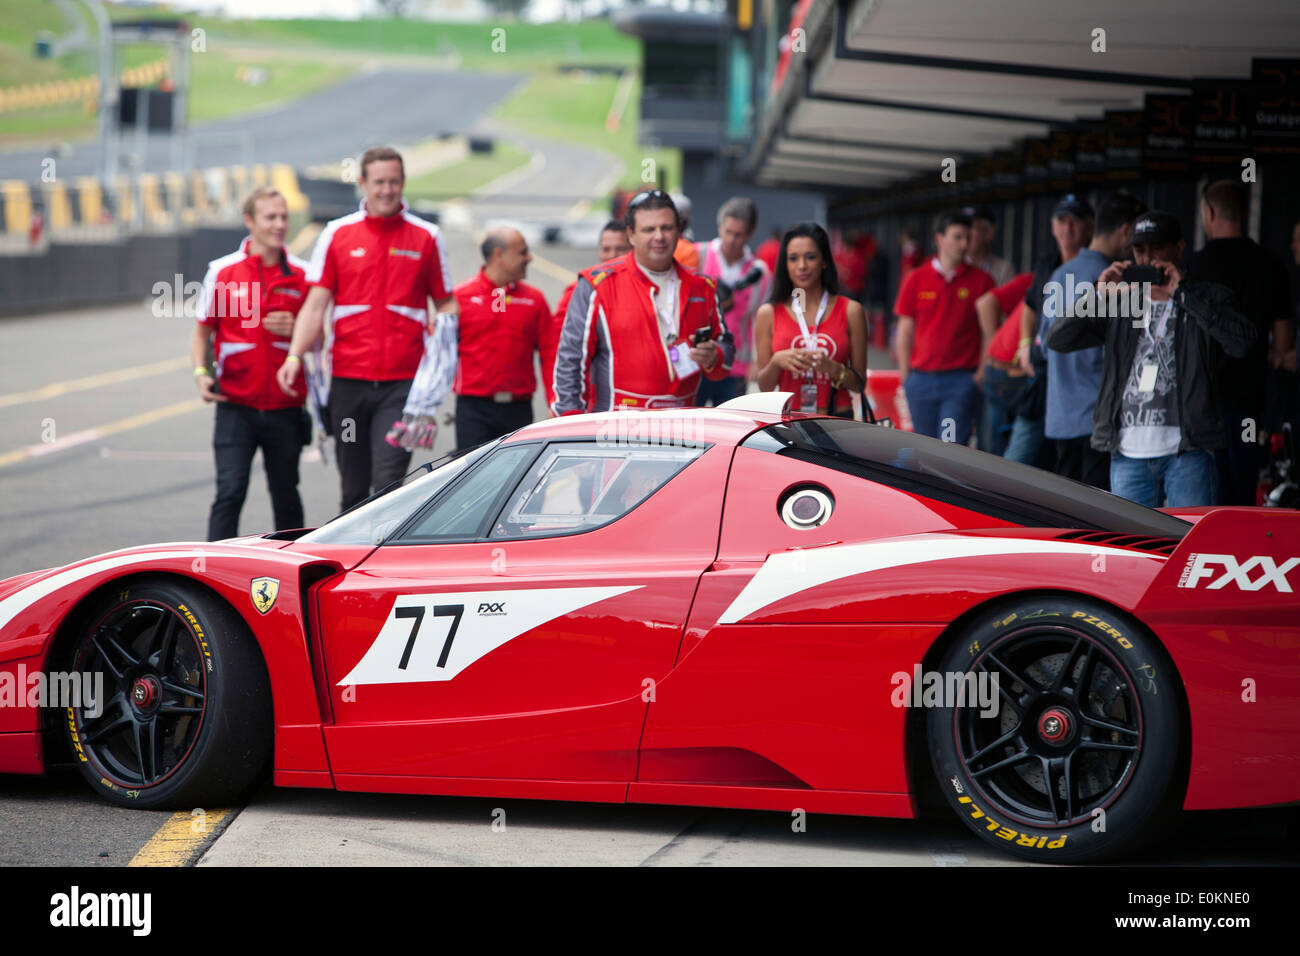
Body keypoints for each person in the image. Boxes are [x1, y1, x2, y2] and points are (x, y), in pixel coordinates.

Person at [276, 146, 458, 511]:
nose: (387, 190)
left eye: (393, 182)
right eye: (379, 182)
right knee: (353, 487)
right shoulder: (336, 235)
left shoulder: (427, 237)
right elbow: (315, 306)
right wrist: (295, 355)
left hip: (404, 388)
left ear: (403, 183)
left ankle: (381, 565)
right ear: (362, 183)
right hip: (347, 386)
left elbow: (446, 302)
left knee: (388, 485)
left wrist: (445, 323)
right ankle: (351, 564)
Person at [1047, 211, 1255, 507]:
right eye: (1139, 250)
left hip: (1188, 451)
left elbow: (1243, 343)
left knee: (1188, 546)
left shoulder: (1205, 296)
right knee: (1132, 550)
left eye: (1157, 248)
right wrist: (1096, 293)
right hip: (1127, 452)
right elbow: (1058, 340)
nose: (1148, 259)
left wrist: (1183, 294)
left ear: (1179, 248)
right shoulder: (1121, 301)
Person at [192, 186, 310, 540]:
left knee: (286, 497)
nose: (279, 225)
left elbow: (321, 339)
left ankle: (294, 576)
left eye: (284, 217)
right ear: (249, 221)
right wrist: (201, 374)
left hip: (285, 408)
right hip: (235, 406)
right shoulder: (223, 271)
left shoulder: (304, 274)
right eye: (270, 217)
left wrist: (297, 329)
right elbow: (201, 333)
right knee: (230, 492)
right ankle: (210, 577)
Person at [551, 190, 731, 414]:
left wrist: (715, 356)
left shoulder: (703, 286)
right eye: (649, 229)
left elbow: (726, 349)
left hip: (683, 432)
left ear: (678, 231)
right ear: (631, 235)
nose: (659, 236)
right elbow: (570, 360)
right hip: (617, 432)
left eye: (666, 227)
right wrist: (570, 422)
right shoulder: (596, 284)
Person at [1185, 179, 1295, 504]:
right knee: (1243, 490)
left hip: (1202, 402)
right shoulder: (1271, 265)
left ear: (1209, 212)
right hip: (1250, 400)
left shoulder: (1192, 268)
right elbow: (1284, 342)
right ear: (1245, 213)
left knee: (1206, 493)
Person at [1040, 192, 1145, 488]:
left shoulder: (1059, 275)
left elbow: (1045, 345)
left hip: (1060, 417)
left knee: (1065, 515)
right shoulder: (1117, 281)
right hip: (1099, 420)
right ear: (1125, 231)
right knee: (1096, 522)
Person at [1007, 193, 1094, 467]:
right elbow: (1030, 306)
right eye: (1062, 220)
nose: (1067, 228)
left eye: (1075, 221)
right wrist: (1024, 344)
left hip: (1082, 383)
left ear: (1090, 226)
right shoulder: (1048, 263)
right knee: (1016, 459)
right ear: (1052, 226)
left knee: (1069, 465)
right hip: (1045, 375)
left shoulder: (1100, 267)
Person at [894, 209, 995, 442]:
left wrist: (979, 373)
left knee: (951, 448)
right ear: (939, 239)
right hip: (920, 380)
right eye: (958, 237)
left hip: (961, 381)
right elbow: (905, 329)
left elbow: (989, 333)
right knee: (923, 447)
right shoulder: (916, 278)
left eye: (967, 238)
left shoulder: (982, 281)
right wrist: (905, 376)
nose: (965, 244)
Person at [445, 228, 551, 448]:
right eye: (522, 252)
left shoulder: (534, 300)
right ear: (498, 255)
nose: (529, 258)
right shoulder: (460, 298)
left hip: (518, 410)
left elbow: (551, 356)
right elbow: (437, 356)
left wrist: (555, 404)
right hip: (473, 410)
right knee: (473, 480)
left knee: (517, 480)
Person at [754, 223, 867, 416]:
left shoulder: (851, 310)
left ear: (824, 261)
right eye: (793, 258)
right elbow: (764, 387)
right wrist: (776, 362)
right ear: (785, 264)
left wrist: (832, 368)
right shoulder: (768, 313)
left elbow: (859, 384)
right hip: (790, 421)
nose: (802, 266)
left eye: (811, 257)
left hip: (837, 419)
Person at [540, 220, 630, 408]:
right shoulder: (581, 291)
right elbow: (556, 351)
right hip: (587, 404)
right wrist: (556, 401)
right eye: (606, 249)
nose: (611, 255)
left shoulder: (643, 292)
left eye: (620, 249)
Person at [694, 196, 772, 405]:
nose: (731, 240)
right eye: (727, 232)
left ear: (750, 234)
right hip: (697, 362)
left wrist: (758, 361)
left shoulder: (760, 273)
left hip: (736, 366)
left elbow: (762, 320)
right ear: (719, 227)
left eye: (738, 235)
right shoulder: (697, 256)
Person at [974, 272, 1033, 455]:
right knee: (1001, 452)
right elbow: (985, 303)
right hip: (1009, 371)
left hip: (1002, 369)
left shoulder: (1046, 278)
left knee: (992, 448)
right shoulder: (1045, 278)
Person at [963, 205, 1016, 286]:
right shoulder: (954, 266)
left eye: (971, 228)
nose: (965, 234)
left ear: (989, 233)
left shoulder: (1003, 269)